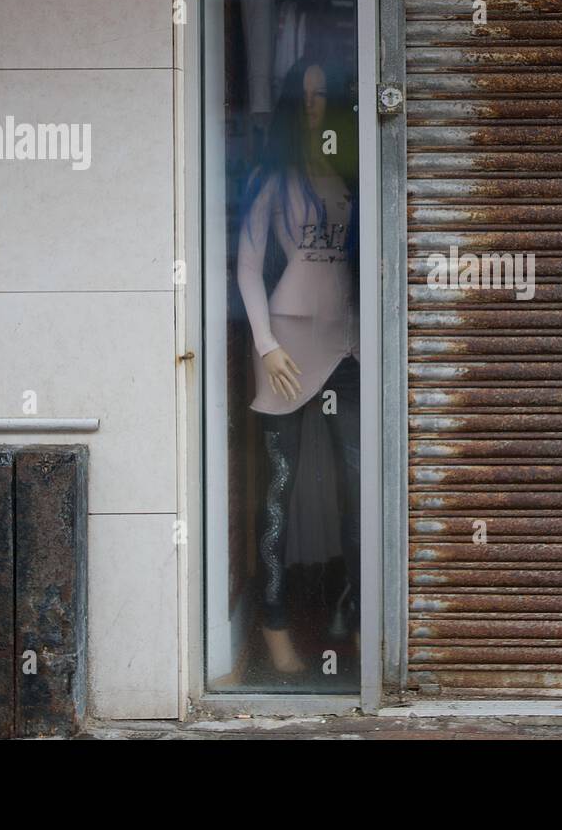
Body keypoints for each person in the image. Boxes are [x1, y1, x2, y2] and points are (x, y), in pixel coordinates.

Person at [236, 57, 359, 675]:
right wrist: (265, 344)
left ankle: (358, 611)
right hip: (284, 349)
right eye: (307, 93)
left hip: (345, 349)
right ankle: (275, 618)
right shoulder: (271, 175)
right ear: (292, 99)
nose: (316, 102)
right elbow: (247, 269)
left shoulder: (343, 171)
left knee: (359, 487)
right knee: (278, 492)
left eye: (324, 93)